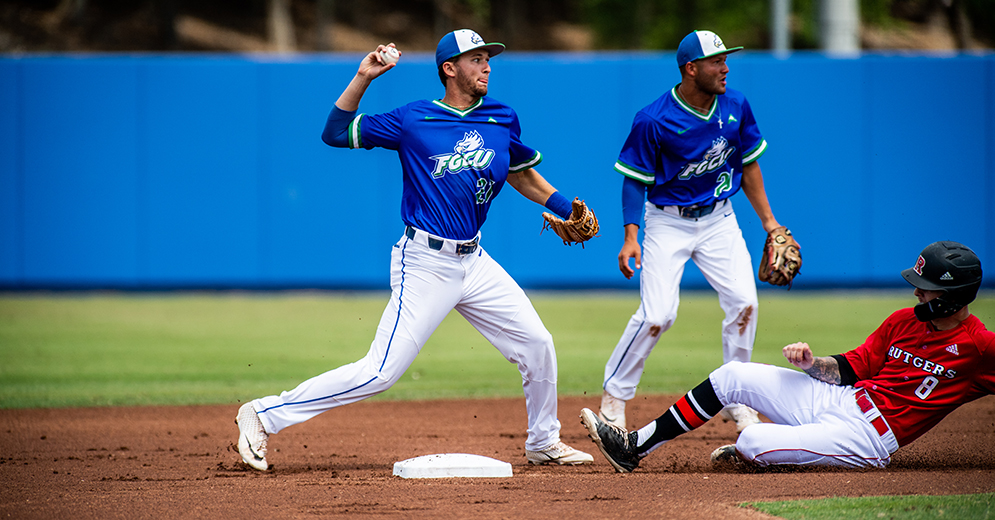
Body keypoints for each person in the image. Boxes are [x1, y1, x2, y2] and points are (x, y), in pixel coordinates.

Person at [234, 29, 595, 471]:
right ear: (449, 68)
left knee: (537, 343)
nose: (486, 65)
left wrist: (566, 205)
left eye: (488, 58)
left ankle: (543, 441)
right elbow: (334, 132)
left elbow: (520, 173)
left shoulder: (502, 117)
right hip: (425, 261)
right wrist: (364, 77)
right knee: (380, 371)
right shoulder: (414, 119)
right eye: (476, 58)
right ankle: (263, 414)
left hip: (475, 261)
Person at [581, 241, 992, 472]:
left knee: (753, 439)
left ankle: (764, 453)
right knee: (732, 375)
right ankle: (634, 447)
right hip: (845, 399)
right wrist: (813, 364)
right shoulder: (905, 320)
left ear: (954, 295)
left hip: (868, 437)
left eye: (927, 287)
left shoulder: (979, 347)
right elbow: (854, 367)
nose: (917, 292)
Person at [598, 29, 792, 432]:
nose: (725, 68)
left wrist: (769, 223)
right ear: (691, 68)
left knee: (745, 305)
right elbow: (634, 179)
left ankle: (737, 398)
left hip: (720, 219)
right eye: (716, 62)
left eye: (726, 60)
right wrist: (631, 236)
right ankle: (614, 397)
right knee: (657, 315)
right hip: (668, 221)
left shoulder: (735, 105)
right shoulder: (653, 119)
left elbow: (749, 165)